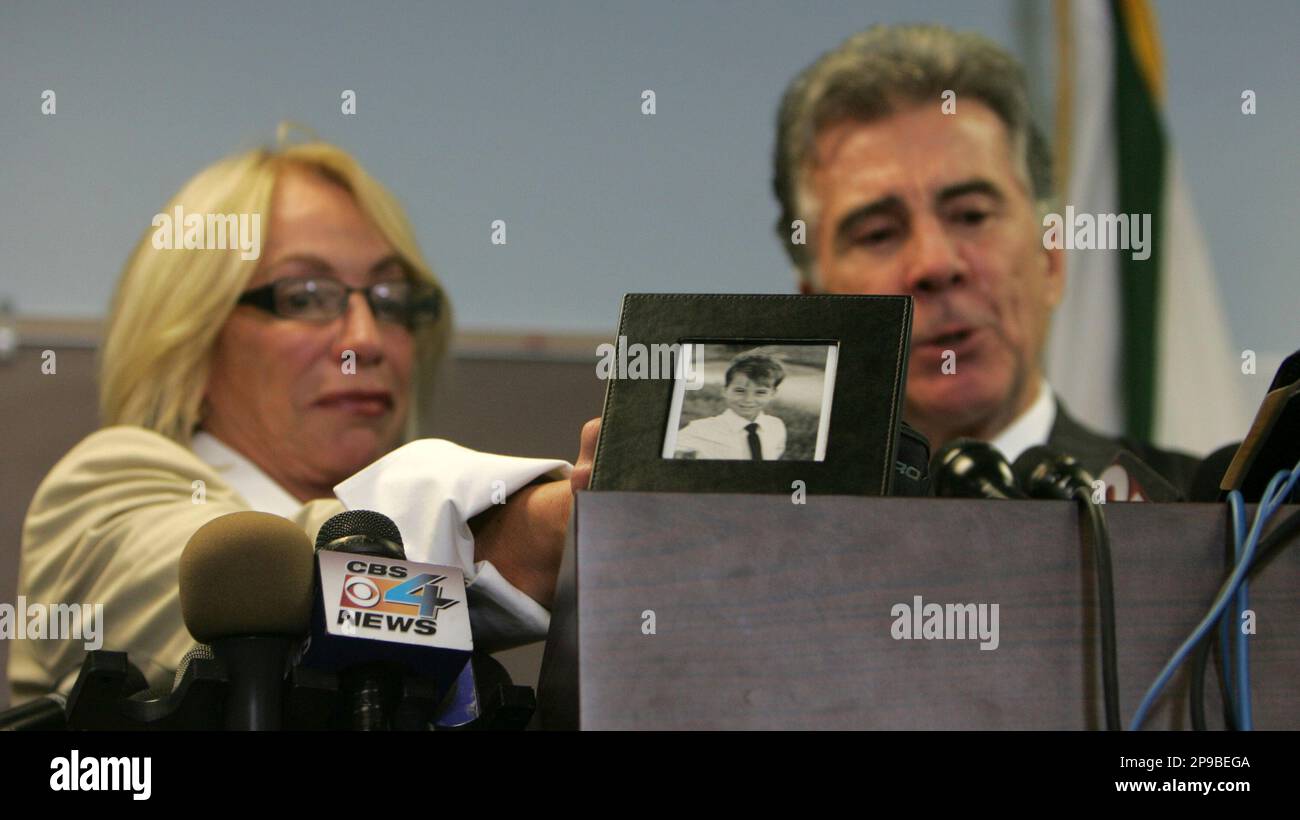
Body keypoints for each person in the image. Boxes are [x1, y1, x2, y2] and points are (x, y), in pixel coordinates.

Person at [9, 131, 598, 704]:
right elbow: (246, 580)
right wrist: (545, 529)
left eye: (391, 300)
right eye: (306, 296)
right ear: (193, 333)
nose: (367, 340)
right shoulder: (99, 489)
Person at [771, 24, 1198, 489]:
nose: (935, 265)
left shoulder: (1219, 524)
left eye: (971, 215)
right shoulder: (757, 539)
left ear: (1050, 260)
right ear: (819, 311)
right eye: (878, 234)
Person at [674, 353, 787, 460]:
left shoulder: (776, 426)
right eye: (739, 390)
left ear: (773, 394)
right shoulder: (700, 429)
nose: (748, 400)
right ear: (725, 390)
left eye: (760, 392)